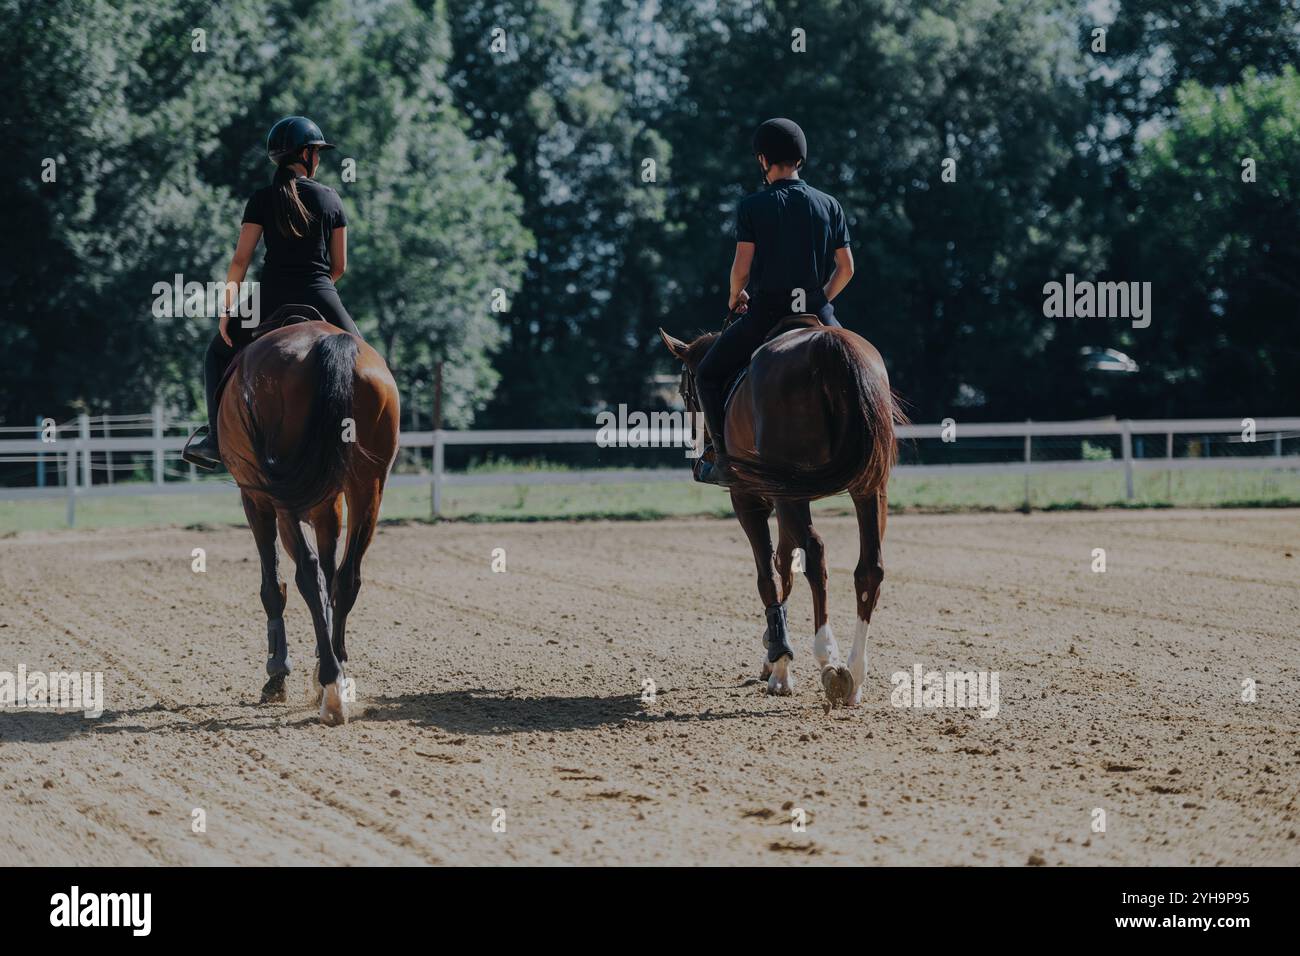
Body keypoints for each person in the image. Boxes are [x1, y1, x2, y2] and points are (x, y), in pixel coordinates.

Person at [183, 116, 360, 469]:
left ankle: (216, 442)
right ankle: (365, 433)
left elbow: (239, 261)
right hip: (320, 292)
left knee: (216, 355)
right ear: (306, 154)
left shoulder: (262, 199)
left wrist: (227, 310)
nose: (320, 158)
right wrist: (318, 292)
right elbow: (338, 266)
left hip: (269, 297)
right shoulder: (330, 198)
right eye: (318, 152)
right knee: (362, 357)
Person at [694, 117, 855, 486]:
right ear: (801, 158)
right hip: (818, 311)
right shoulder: (829, 204)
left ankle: (722, 461)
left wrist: (736, 297)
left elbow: (741, 270)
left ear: (762, 159)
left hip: (767, 314)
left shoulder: (753, 206)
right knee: (858, 369)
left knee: (707, 374)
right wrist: (819, 302)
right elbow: (846, 268)